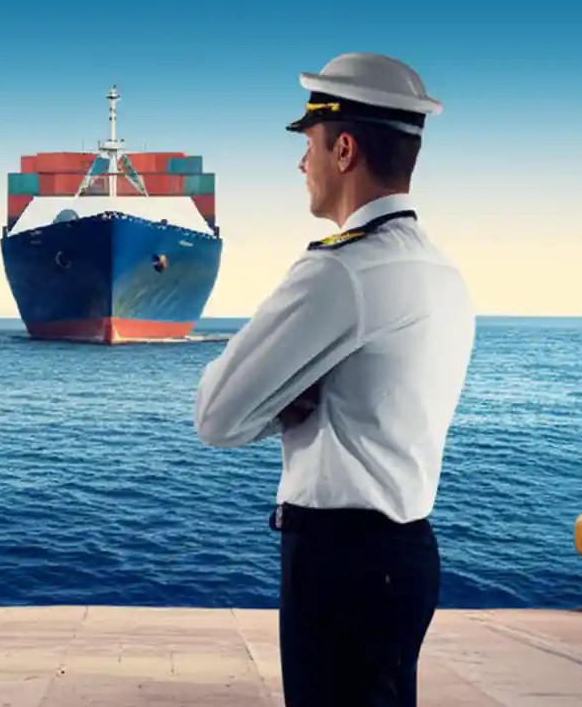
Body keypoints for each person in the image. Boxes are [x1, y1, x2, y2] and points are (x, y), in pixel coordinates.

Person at [192, 53, 476, 706]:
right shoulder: (441, 273)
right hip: (407, 554)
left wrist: (278, 404)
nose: (302, 164)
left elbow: (215, 415)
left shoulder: (341, 271)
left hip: (341, 564)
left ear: (343, 150)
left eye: (309, 144)